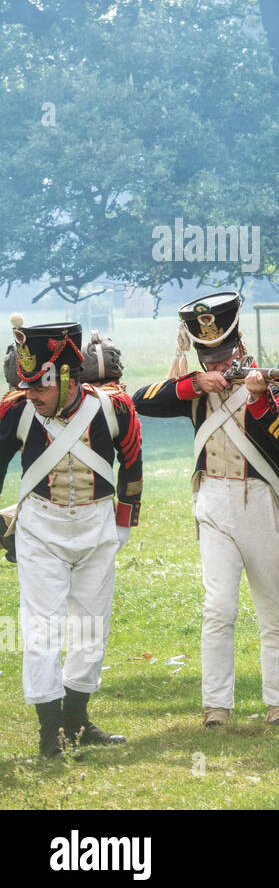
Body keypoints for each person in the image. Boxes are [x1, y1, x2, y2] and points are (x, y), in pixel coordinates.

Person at [134, 292, 279, 729]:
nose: (219, 365)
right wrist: (195, 383)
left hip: (261, 502)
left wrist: (260, 398)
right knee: (218, 608)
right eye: (210, 358)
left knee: (276, 611)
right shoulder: (194, 389)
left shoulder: (272, 387)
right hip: (213, 503)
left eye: (225, 356)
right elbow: (143, 399)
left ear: (240, 348)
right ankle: (216, 706)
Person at [0, 320, 141, 758]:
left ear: (65, 377)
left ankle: (77, 721)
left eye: (39, 387)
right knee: (41, 630)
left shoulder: (114, 408)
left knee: (91, 629)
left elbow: (132, 463)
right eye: (26, 387)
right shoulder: (16, 410)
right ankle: (49, 738)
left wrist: (122, 523)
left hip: (98, 526)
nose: (32, 396)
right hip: (40, 527)